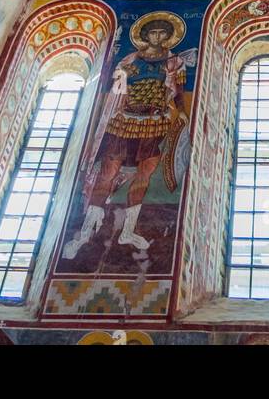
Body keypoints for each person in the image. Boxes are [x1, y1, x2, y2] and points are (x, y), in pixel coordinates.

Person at [63, 14, 194, 260]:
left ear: (168, 35)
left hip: (154, 123)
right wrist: (119, 76)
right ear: (145, 35)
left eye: (162, 33)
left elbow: (178, 91)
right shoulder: (130, 59)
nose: (157, 37)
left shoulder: (175, 61)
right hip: (125, 121)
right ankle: (83, 232)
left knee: (144, 174)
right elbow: (115, 88)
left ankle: (128, 231)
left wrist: (184, 112)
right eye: (152, 32)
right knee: (108, 172)